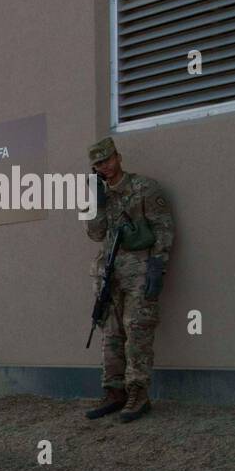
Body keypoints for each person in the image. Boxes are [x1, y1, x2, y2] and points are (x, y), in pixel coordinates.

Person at [83, 136, 174, 423]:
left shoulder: (144, 188)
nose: (105, 167)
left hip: (139, 270)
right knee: (110, 333)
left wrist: (157, 266)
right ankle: (114, 392)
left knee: (137, 331)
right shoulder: (97, 194)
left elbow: (164, 227)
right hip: (108, 275)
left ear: (118, 157)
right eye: (98, 164)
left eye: (107, 160)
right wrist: (95, 202)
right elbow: (95, 234)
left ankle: (138, 394)